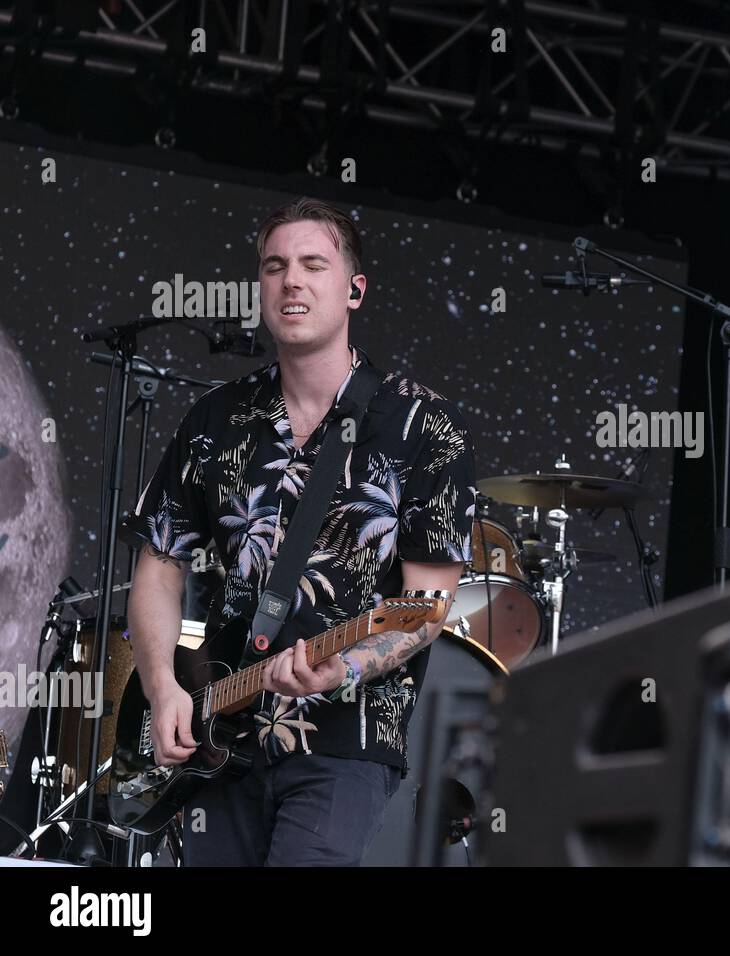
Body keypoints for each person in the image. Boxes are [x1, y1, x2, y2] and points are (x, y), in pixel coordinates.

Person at [122, 197, 476, 865]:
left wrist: (339, 667)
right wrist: (163, 686)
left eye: (314, 264)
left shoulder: (427, 429)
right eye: (275, 266)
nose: (292, 281)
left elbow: (426, 607)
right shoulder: (213, 421)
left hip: (347, 741)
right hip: (217, 737)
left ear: (354, 290)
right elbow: (159, 568)